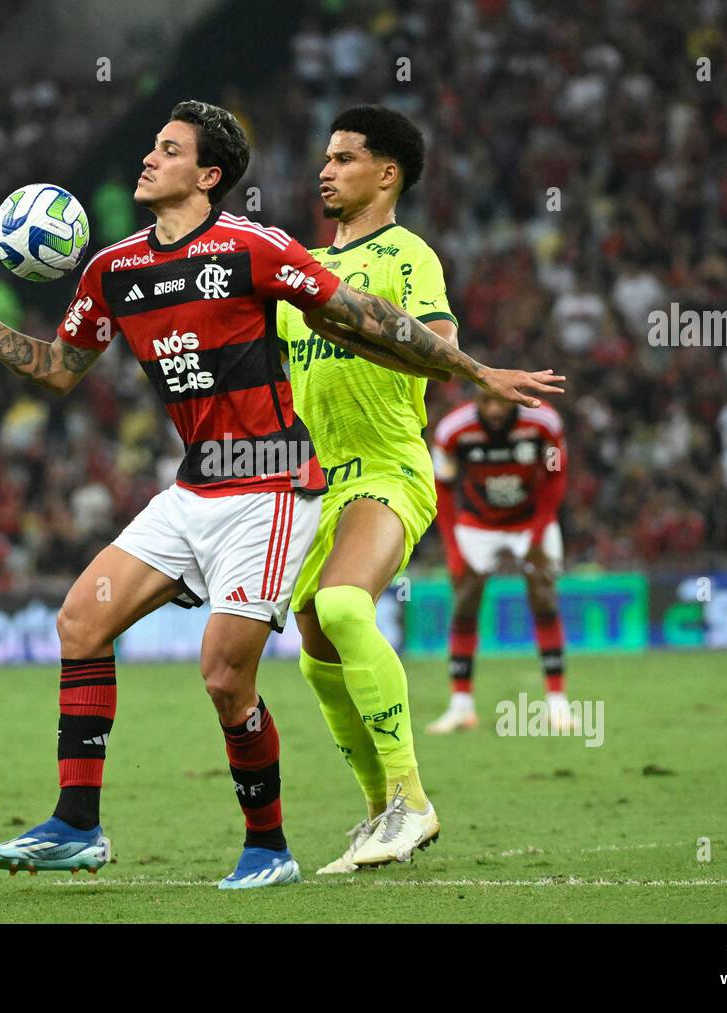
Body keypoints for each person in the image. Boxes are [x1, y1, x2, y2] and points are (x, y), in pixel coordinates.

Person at [0, 100, 562, 888]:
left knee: (225, 673)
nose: (148, 158)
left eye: (168, 148)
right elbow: (56, 368)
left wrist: (476, 371)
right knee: (81, 618)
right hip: (196, 482)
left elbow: (366, 318)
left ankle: (270, 845)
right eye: (151, 144)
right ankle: (77, 824)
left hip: (275, 480)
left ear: (207, 175)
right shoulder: (113, 269)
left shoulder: (255, 248)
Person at [275, 106, 459, 872]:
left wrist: (372, 329)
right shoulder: (299, 277)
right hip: (329, 483)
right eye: (325, 156)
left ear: (388, 174)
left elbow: (443, 350)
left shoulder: (406, 255)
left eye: (346, 157)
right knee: (314, 644)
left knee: (347, 606)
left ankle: (413, 801)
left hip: (392, 466)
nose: (327, 169)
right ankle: (380, 812)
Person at [428, 390, 572, 734]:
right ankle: (461, 705)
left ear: (514, 400)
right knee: (465, 600)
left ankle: (557, 703)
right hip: (477, 524)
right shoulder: (453, 431)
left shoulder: (544, 423)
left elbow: (555, 475)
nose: (493, 410)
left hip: (531, 520)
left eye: (500, 403)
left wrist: (537, 536)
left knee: (543, 595)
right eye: (485, 403)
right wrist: (454, 549)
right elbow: (443, 487)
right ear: (475, 402)